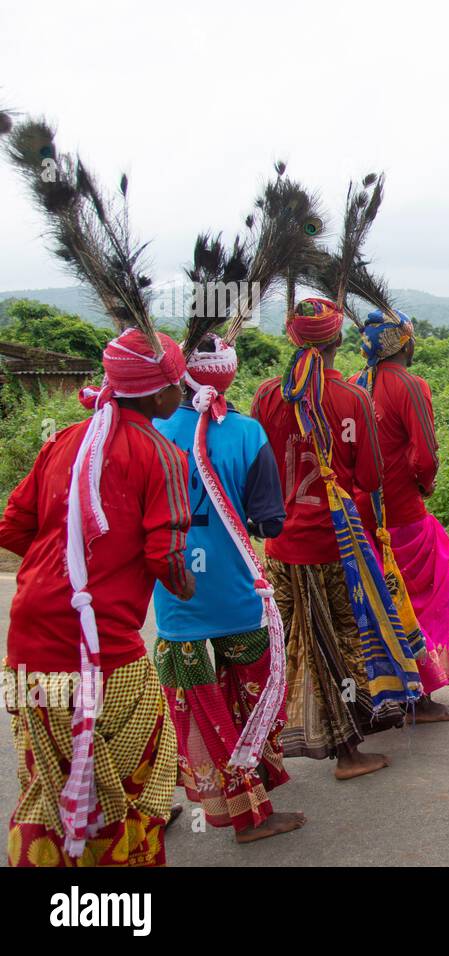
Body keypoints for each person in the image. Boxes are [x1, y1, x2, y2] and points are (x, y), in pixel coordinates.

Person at [1, 329, 193, 866]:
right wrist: (185, 586)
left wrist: (65, 571)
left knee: (49, 781)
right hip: (101, 649)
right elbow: (168, 559)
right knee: (142, 770)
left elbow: (14, 527)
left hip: (27, 646)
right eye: (177, 384)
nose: (181, 393)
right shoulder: (161, 453)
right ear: (159, 395)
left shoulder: (65, 439)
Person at [250, 298, 420, 779]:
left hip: (281, 547)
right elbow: (369, 476)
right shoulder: (351, 398)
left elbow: (257, 469)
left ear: (292, 338)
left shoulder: (266, 396)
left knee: (286, 647)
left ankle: (265, 753)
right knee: (341, 641)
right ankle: (347, 750)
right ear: (338, 342)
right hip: (335, 546)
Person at [152, 334, 306, 841]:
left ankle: (169, 802)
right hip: (240, 601)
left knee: (203, 711)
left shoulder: (150, 428)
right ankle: (249, 811)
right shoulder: (247, 433)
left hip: (178, 604)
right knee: (253, 700)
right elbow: (269, 524)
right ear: (229, 376)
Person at [353, 309, 449, 720]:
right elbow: (426, 454)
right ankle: (419, 694)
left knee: (381, 600)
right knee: (422, 599)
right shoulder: (410, 385)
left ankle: (389, 689)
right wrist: (424, 484)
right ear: (405, 343)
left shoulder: (356, 384)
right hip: (402, 514)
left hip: (362, 513)